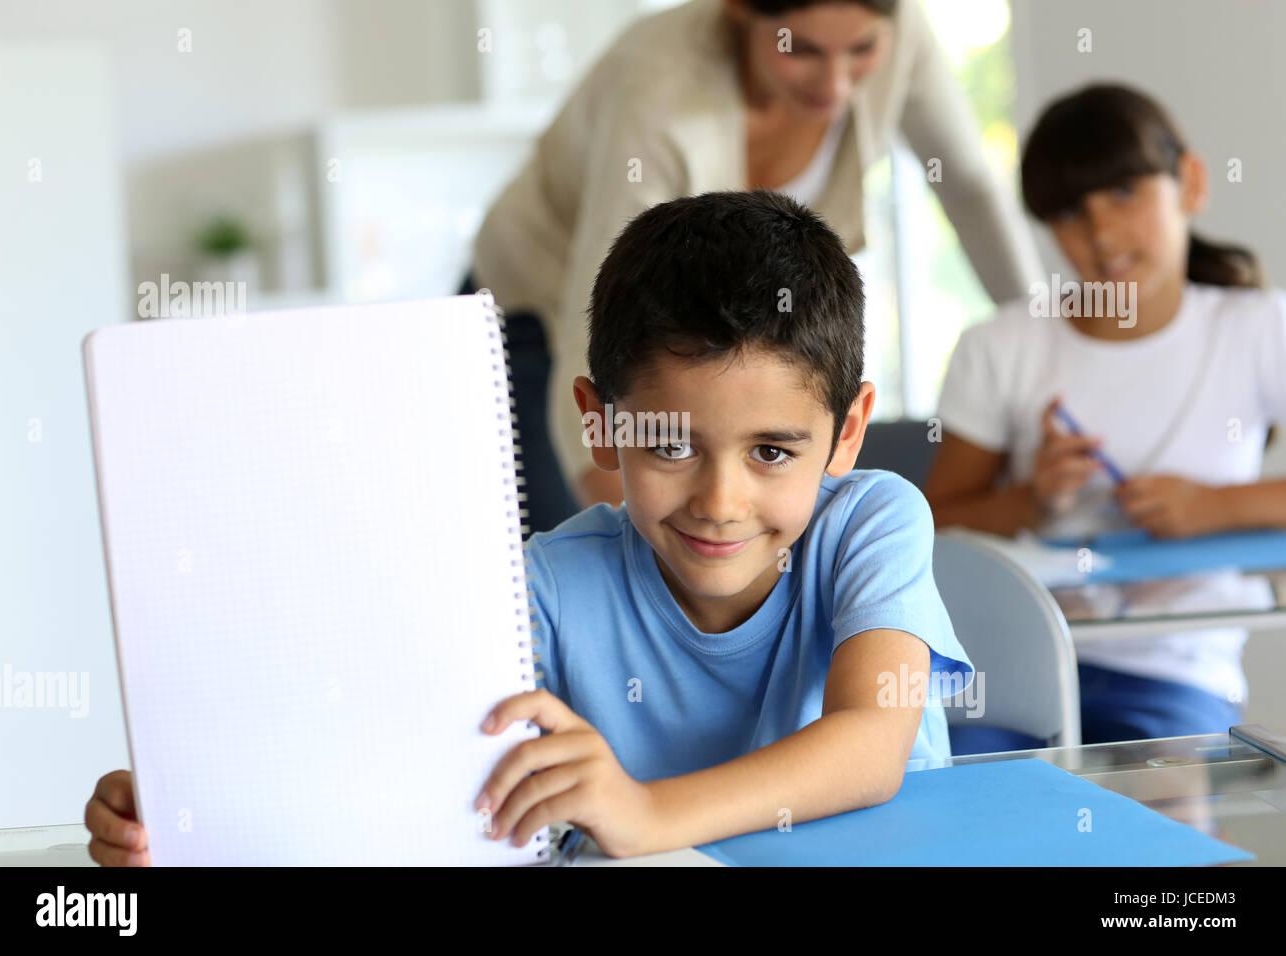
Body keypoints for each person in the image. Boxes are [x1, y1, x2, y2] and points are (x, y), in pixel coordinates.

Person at [86, 190, 972, 863]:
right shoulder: (539, 588)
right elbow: (413, 771)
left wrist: (646, 813)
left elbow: (870, 745)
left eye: (773, 453)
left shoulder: (874, 521)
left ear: (847, 432)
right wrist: (201, 808)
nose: (721, 501)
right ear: (597, 420)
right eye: (668, 444)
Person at [464, 0, 1042, 531]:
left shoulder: (900, 31)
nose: (836, 84)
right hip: (537, 313)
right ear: (739, 10)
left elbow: (969, 191)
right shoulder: (657, 87)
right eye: (805, 50)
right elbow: (592, 312)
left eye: (861, 51)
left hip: (719, 329)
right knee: (570, 545)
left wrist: (1047, 345)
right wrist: (624, 531)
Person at [925, 83, 1286, 753]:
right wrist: (1031, 498)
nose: (1101, 234)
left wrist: (1215, 506)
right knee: (967, 801)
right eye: (1069, 213)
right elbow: (933, 523)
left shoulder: (1260, 328)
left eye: (1124, 193)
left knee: (1165, 823)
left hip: (1177, 678)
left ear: (1192, 183)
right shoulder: (999, 345)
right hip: (1015, 663)